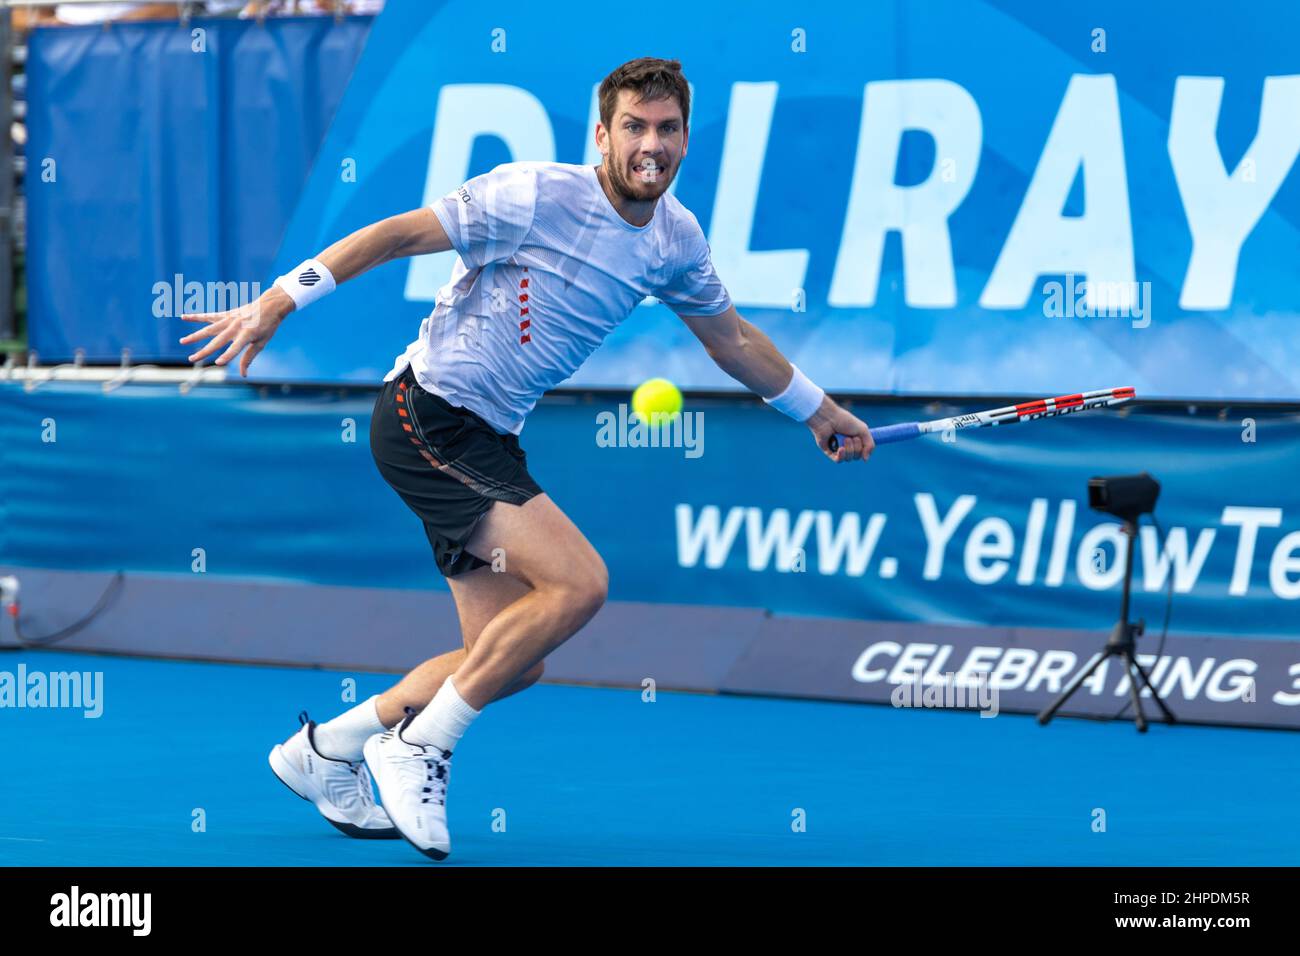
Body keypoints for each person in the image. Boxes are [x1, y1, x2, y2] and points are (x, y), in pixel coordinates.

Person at [180, 56, 874, 861]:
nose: (652, 145)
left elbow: (734, 341)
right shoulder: (536, 193)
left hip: (486, 436)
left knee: (510, 657)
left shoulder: (676, 240)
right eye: (635, 128)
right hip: (425, 415)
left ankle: (326, 749)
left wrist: (818, 412)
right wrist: (278, 300)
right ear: (603, 134)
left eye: (669, 129)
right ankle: (420, 746)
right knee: (581, 584)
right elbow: (397, 234)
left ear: (686, 138)